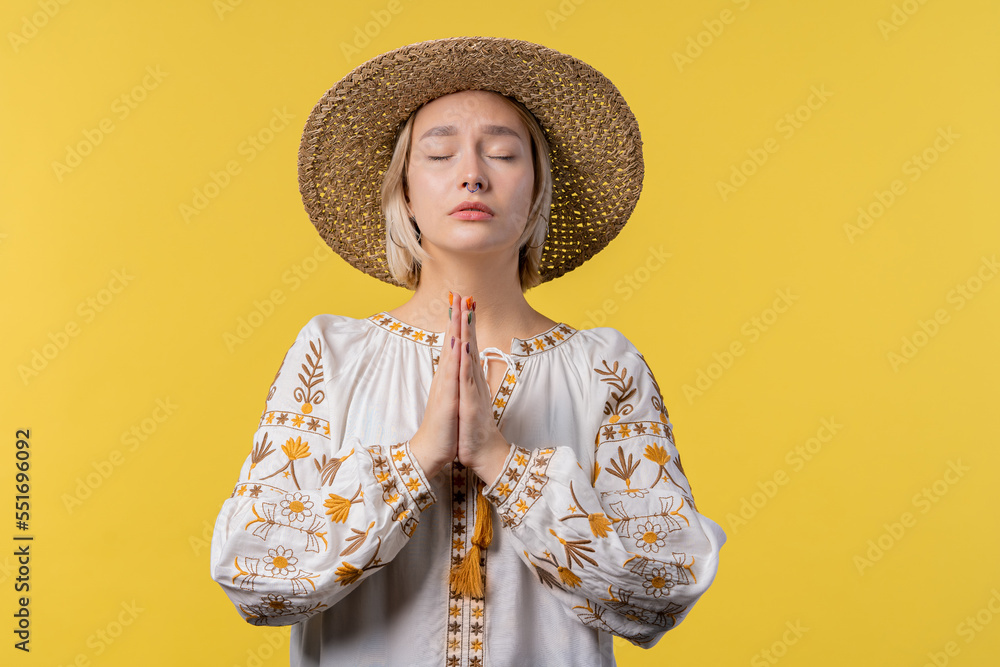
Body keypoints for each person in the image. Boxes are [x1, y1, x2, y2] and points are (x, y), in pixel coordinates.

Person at [210, 36, 727, 667]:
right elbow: (259, 581)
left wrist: (504, 464)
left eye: (504, 153)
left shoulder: (604, 371)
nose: (472, 172)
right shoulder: (331, 358)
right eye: (439, 152)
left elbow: (660, 591)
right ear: (402, 191)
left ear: (537, 191)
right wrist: (418, 457)